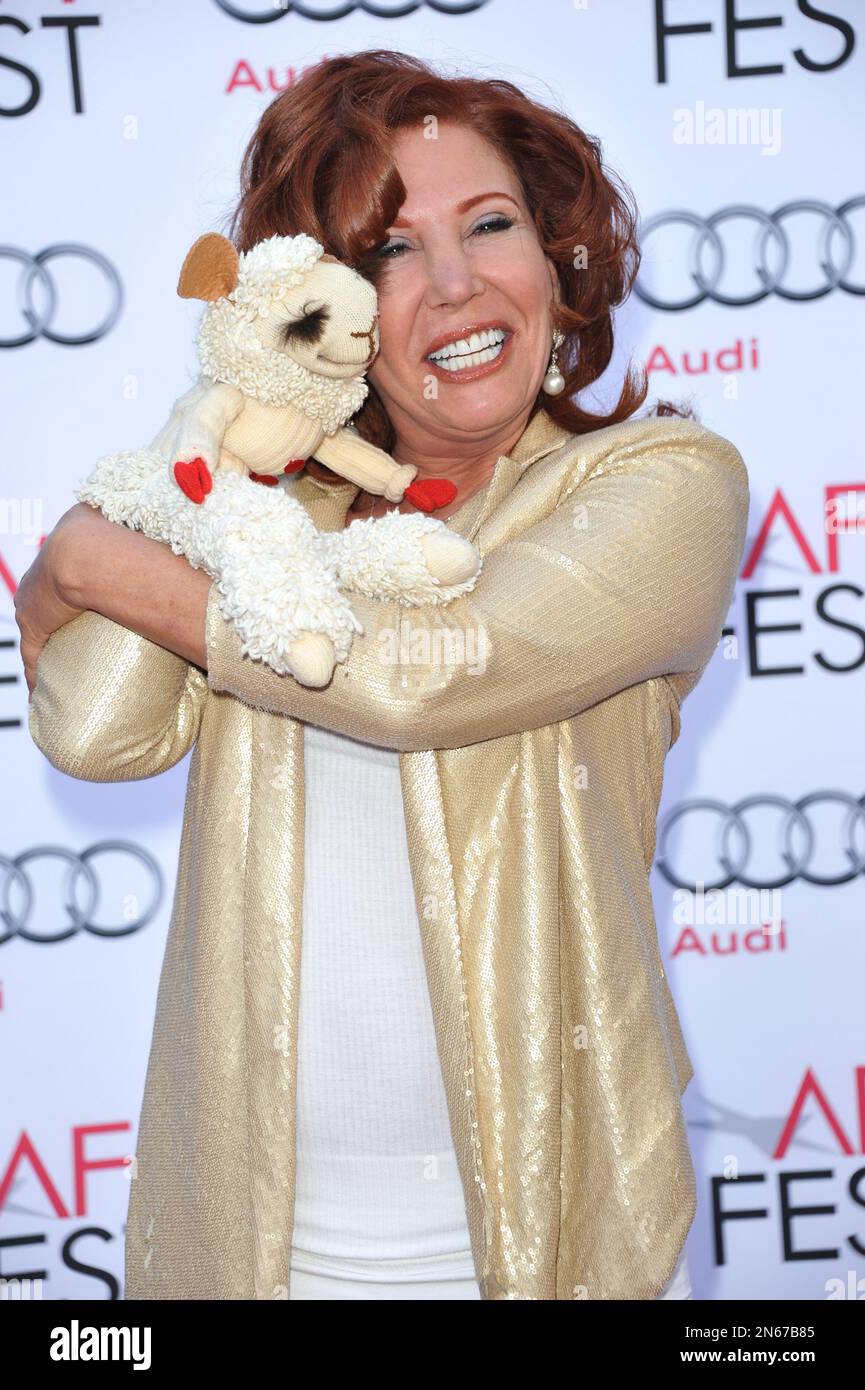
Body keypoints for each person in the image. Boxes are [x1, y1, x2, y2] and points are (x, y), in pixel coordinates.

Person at [17, 50, 749, 1301]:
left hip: (538, 1250)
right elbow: (96, 729)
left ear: (560, 258)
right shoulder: (272, 513)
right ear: (318, 300)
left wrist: (99, 558)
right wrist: (222, 434)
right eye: (389, 252)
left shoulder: (660, 481)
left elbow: (424, 682)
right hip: (250, 1254)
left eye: (492, 224)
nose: (455, 284)